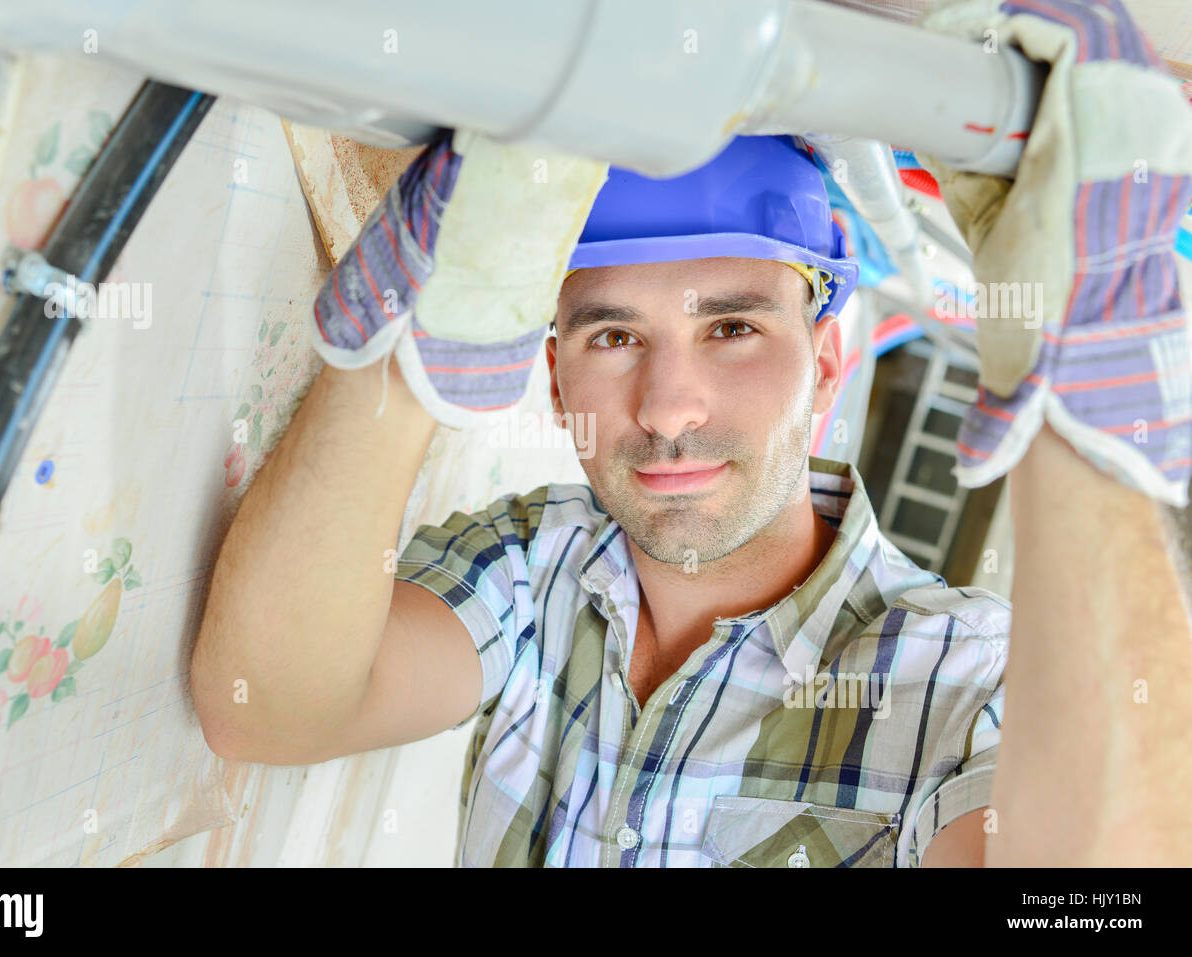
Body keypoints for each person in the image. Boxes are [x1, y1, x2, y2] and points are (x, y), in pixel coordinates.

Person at [190, 0, 1192, 867]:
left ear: (828, 368)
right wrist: (418, 331)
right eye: (614, 335)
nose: (668, 407)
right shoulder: (535, 569)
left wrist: (1078, 393)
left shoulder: (953, 676)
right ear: (547, 372)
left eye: (732, 328)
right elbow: (265, 705)